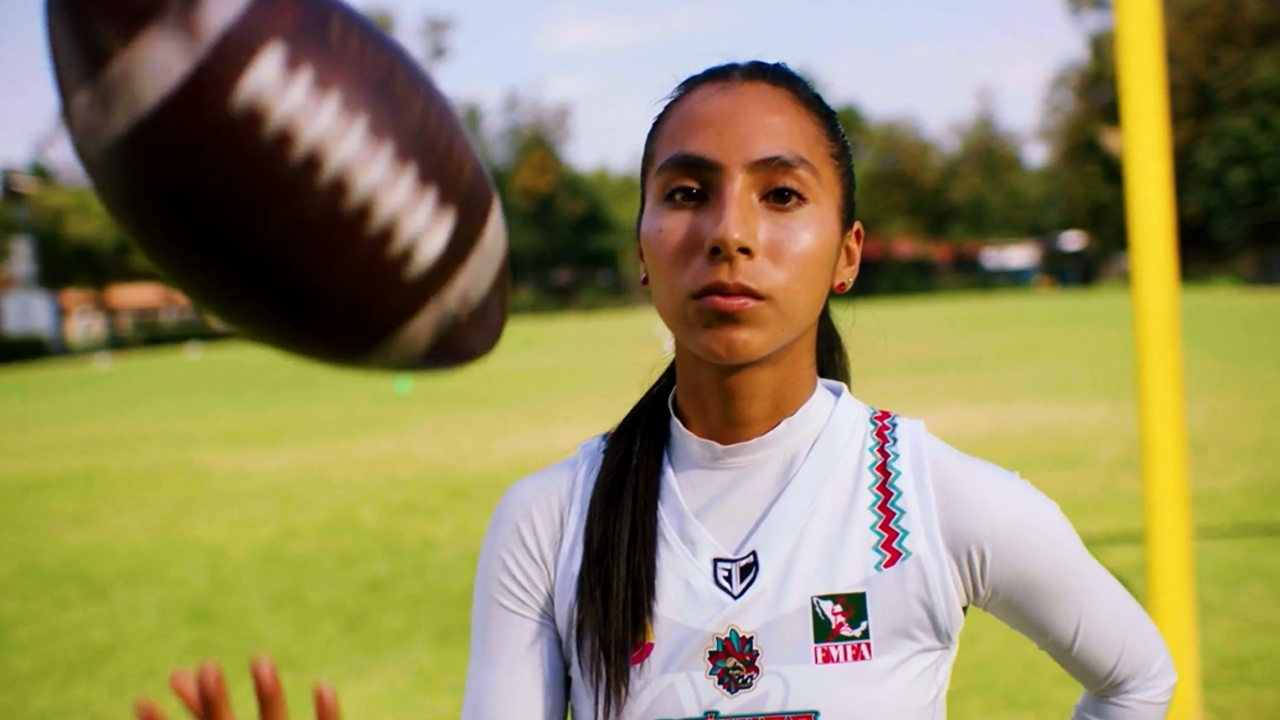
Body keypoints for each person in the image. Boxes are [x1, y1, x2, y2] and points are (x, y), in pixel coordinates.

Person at [134, 61, 1177, 720]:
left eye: (780, 195)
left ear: (845, 253)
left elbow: (1137, 679)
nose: (727, 231)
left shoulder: (936, 499)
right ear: (641, 248)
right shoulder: (548, 522)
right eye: (684, 193)